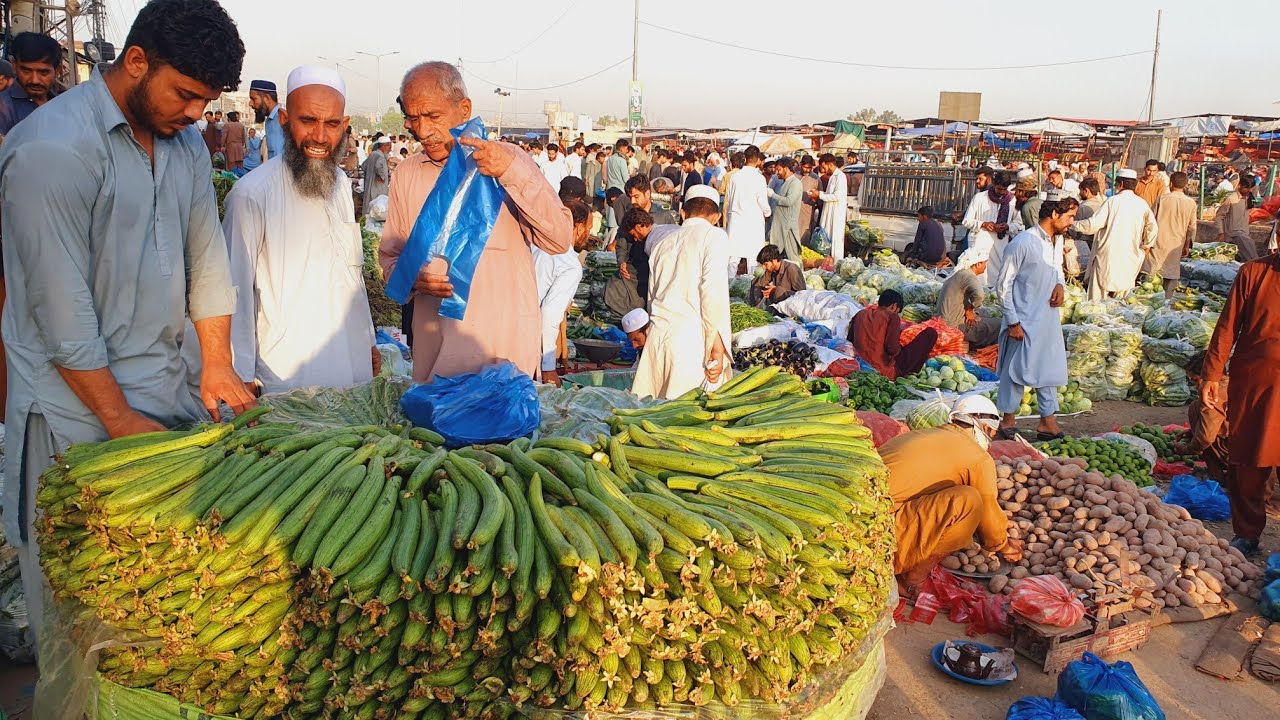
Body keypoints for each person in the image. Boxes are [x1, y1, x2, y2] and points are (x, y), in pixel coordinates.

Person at [0, 0, 256, 641]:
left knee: (157, 623)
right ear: (136, 62)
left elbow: (206, 256)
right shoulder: (51, 151)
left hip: (165, 398)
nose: (197, 113)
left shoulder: (184, 145)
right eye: (187, 94)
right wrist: (119, 420)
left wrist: (218, 363)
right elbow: (62, 314)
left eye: (206, 100)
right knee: (80, 619)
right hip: (78, 419)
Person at [381, 62, 571, 382]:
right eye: (413, 118)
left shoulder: (508, 161)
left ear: (464, 109)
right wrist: (412, 278)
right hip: (436, 364)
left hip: (505, 363)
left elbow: (559, 238)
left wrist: (512, 172)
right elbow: (390, 259)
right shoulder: (406, 174)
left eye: (433, 116)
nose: (423, 130)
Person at [224, 65, 378, 394]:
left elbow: (352, 274)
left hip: (353, 371)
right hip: (287, 379)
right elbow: (234, 296)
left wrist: (369, 341)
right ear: (284, 121)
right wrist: (240, 376)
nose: (320, 137)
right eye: (307, 121)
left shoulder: (339, 183)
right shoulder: (251, 196)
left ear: (345, 126)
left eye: (331, 124)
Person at [880, 394, 1022, 596]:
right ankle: (912, 580)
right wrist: (1005, 546)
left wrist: (1001, 523)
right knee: (969, 501)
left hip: (864, 514)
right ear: (986, 428)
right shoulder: (978, 456)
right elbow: (987, 510)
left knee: (963, 500)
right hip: (880, 532)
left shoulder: (926, 435)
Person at [1200, 253, 1280, 555]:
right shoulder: (1254, 272)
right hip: (1255, 381)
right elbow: (1227, 326)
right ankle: (1247, 533)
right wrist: (1212, 374)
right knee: (1247, 457)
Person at [632, 186, 731, 400]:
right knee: (682, 421)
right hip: (690, 340)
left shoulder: (662, 242)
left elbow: (652, 296)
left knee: (651, 414)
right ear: (717, 217)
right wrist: (717, 347)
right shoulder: (714, 237)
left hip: (659, 336)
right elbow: (713, 293)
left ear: (682, 213)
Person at [996, 199, 1075, 441]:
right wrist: (1012, 321)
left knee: (1048, 368)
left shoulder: (1057, 240)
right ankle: (1007, 420)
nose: (1072, 221)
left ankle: (1047, 421)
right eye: (1070, 216)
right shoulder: (1023, 243)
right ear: (1054, 214)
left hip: (1048, 318)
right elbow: (1003, 285)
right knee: (1014, 370)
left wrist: (1060, 285)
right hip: (1023, 318)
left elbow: (1056, 269)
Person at [1071, 169, 1158, 300]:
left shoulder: (1112, 201)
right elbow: (1153, 227)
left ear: (1120, 184)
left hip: (1108, 254)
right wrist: (1147, 247)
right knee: (1123, 298)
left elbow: (1092, 225)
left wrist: (1071, 223)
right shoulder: (1141, 204)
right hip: (1131, 255)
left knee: (1097, 298)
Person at [534, 200, 590, 386]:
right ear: (578, 227)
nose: (588, 235)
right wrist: (548, 367)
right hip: (530, 337)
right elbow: (549, 314)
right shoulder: (570, 265)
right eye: (588, 228)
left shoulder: (537, 243)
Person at [849, 289, 937, 380]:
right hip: (882, 369)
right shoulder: (892, 316)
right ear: (894, 306)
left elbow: (850, 338)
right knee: (930, 333)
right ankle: (911, 372)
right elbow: (892, 349)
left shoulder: (861, 313)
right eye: (898, 311)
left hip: (858, 362)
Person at [962, 170, 1020, 285]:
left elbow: (1019, 225)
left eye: (1004, 189)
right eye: (999, 189)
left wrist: (1007, 226)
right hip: (980, 244)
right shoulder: (979, 198)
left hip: (1000, 245)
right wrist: (983, 224)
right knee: (978, 281)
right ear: (993, 184)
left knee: (996, 281)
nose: (1002, 192)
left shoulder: (1012, 200)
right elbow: (966, 221)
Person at [1145, 171, 1198, 297]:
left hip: (1158, 241)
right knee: (1171, 274)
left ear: (1171, 183)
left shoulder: (1162, 199)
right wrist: (1187, 245)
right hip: (1177, 243)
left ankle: (1148, 299)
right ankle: (1166, 302)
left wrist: (1146, 241)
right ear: (1185, 185)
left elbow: (1151, 221)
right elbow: (1192, 228)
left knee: (1152, 274)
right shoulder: (1191, 203)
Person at [0, 32, 63, 134]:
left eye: (43, 72)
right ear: (14, 66)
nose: (34, 80)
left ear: (57, 71)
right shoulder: (4, 107)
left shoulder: (63, 103)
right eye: (26, 71)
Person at [937, 248, 1000, 348]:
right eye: (984, 263)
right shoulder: (968, 275)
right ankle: (981, 348)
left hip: (943, 321)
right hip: (954, 326)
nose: (985, 266)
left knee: (982, 313)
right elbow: (979, 295)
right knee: (999, 324)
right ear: (978, 263)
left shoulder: (959, 273)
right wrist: (970, 309)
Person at [724, 145, 772, 275]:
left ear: (745, 158)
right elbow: (762, 201)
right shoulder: (759, 178)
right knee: (753, 258)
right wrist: (768, 213)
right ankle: (752, 285)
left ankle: (729, 286)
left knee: (733, 257)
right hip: (753, 221)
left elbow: (729, 198)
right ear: (758, 160)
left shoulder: (734, 176)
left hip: (736, 220)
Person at [766, 157, 804, 263]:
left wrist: (773, 195)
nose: (776, 172)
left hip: (788, 228)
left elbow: (788, 201)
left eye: (779, 170)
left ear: (786, 169)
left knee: (793, 259)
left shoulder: (795, 183)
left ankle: (799, 278)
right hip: (780, 227)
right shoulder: (785, 182)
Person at [812, 153, 847, 258]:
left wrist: (820, 194)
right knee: (826, 242)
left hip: (836, 216)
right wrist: (818, 196)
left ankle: (836, 266)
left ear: (830, 164)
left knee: (835, 243)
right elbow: (828, 195)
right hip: (828, 214)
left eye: (823, 167)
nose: (823, 170)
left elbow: (837, 196)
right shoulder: (832, 177)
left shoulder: (840, 177)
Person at [1215, 174, 1257, 262]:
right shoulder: (1231, 198)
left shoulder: (1249, 198)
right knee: (1253, 259)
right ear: (1240, 186)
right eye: (1247, 188)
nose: (1249, 190)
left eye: (1250, 188)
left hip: (1245, 233)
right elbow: (1219, 215)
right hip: (1234, 235)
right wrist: (1221, 233)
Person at [749, 244, 804, 310]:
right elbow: (759, 283)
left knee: (778, 291)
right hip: (777, 301)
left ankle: (778, 314)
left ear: (774, 260)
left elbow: (801, 295)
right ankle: (756, 309)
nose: (764, 267)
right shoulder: (771, 269)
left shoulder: (792, 268)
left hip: (791, 305)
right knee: (755, 281)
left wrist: (776, 290)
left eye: (766, 264)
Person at [249, 78, 283, 160]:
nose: (250, 104)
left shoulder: (281, 119)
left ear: (267, 98)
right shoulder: (270, 120)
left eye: (254, 99)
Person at [362, 135, 391, 209]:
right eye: (389, 147)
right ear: (384, 146)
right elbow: (379, 168)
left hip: (369, 186)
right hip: (378, 188)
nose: (390, 149)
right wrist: (382, 177)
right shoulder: (380, 157)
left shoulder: (373, 154)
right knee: (377, 209)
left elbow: (363, 166)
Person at [797, 155, 820, 246]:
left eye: (809, 168)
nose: (807, 170)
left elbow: (820, 197)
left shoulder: (816, 179)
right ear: (800, 165)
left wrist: (815, 198)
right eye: (805, 167)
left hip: (807, 213)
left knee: (804, 238)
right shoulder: (794, 176)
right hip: (794, 212)